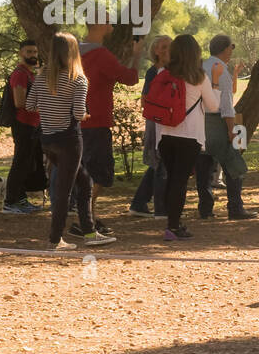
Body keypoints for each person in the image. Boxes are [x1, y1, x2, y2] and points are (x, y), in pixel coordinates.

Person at [24, 33, 115, 249]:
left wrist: (49, 107)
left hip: (47, 139)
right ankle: (55, 239)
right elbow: (77, 113)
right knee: (65, 191)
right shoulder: (78, 78)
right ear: (74, 52)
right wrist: (84, 115)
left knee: (84, 183)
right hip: (69, 140)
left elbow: (29, 106)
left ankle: (89, 233)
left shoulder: (42, 75)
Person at [77, 17, 144, 236]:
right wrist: (136, 55)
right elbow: (130, 78)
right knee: (100, 172)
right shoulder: (100, 55)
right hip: (96, 120)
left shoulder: (72, 52)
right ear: (98, 24)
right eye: (108, 21)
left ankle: (90, 217)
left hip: (76, 119)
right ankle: (84, 218)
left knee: (85, 169)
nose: (112, 25)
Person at [155, 34, 221, 240]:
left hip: (165, 135)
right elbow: (213, 106)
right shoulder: (199, 77)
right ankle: (173, 227)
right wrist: (216, 83)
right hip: (189, 136)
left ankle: (171, 221)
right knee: (179, 182)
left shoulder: (163, 73)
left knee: (172, 179)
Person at [196, 34, 257, 220]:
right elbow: (226, 105)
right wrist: (231, 130)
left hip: (200, 122)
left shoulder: (202, 67)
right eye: (231, 47)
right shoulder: (220, 69)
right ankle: (235, 207)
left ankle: (205, 209)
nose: (232, 51)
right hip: (217, 122)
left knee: (204, 165)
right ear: (225, 49)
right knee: (234, 163)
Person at [129, 35, 172, 218]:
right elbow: (145, 100)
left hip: (170, 122)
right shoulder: (153, 72)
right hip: (157, 122)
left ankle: (139, 203)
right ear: (155, 51)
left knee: (158, 163)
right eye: (162, 47)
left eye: (169, 46)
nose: (166, 50)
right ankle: (161, 209)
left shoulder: (175, 70)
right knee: (160, 161)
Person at [3, 40, 46, 214]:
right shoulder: (20, 74)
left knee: (27, 164)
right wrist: (43, 106)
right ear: (21, 53)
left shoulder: (31, 73)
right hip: (23, 124)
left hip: (33, 124)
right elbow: (20, 102)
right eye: (29, 52)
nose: (33, 55)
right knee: (20, 163)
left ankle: (20, 200)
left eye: (35, 51)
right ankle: (10, 202)